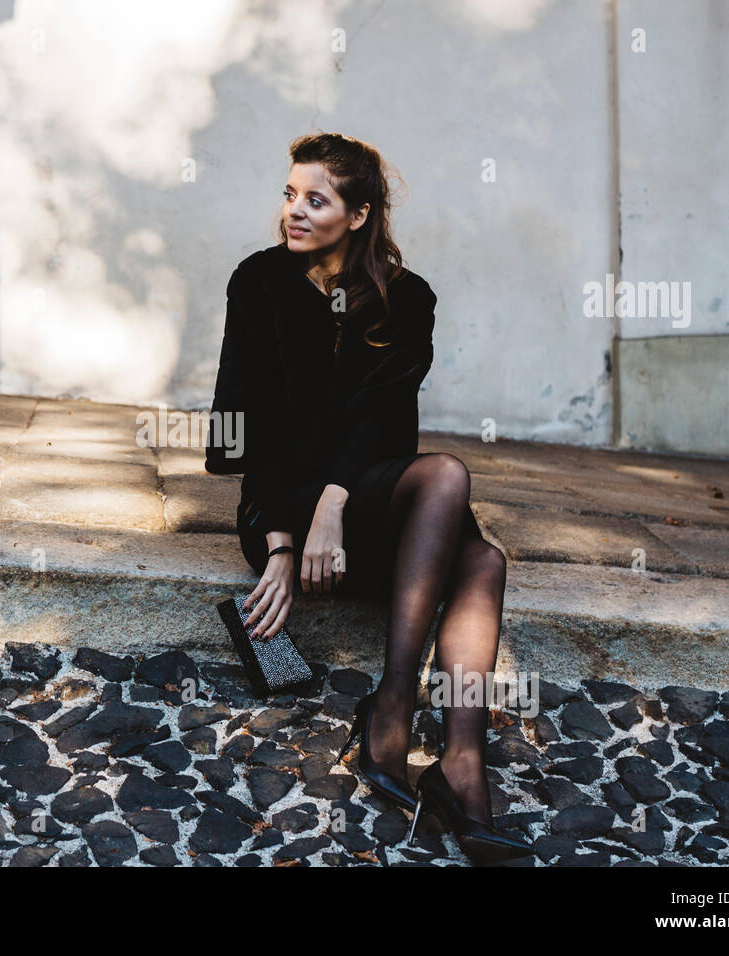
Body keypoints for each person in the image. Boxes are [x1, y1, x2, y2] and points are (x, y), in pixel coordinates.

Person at [205, 132, 531, 863]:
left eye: (315, 199)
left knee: (478, 550)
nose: (294, 210)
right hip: (282, 509)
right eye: (290, 194)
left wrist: (335, 504)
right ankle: (394, 712)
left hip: (370, 505)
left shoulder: (407, 299)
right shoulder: (257, 282)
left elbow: (385, 420)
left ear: (357, 215)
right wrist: (286, 539)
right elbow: (236, 426)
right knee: (458, 508)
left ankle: (456, 759)